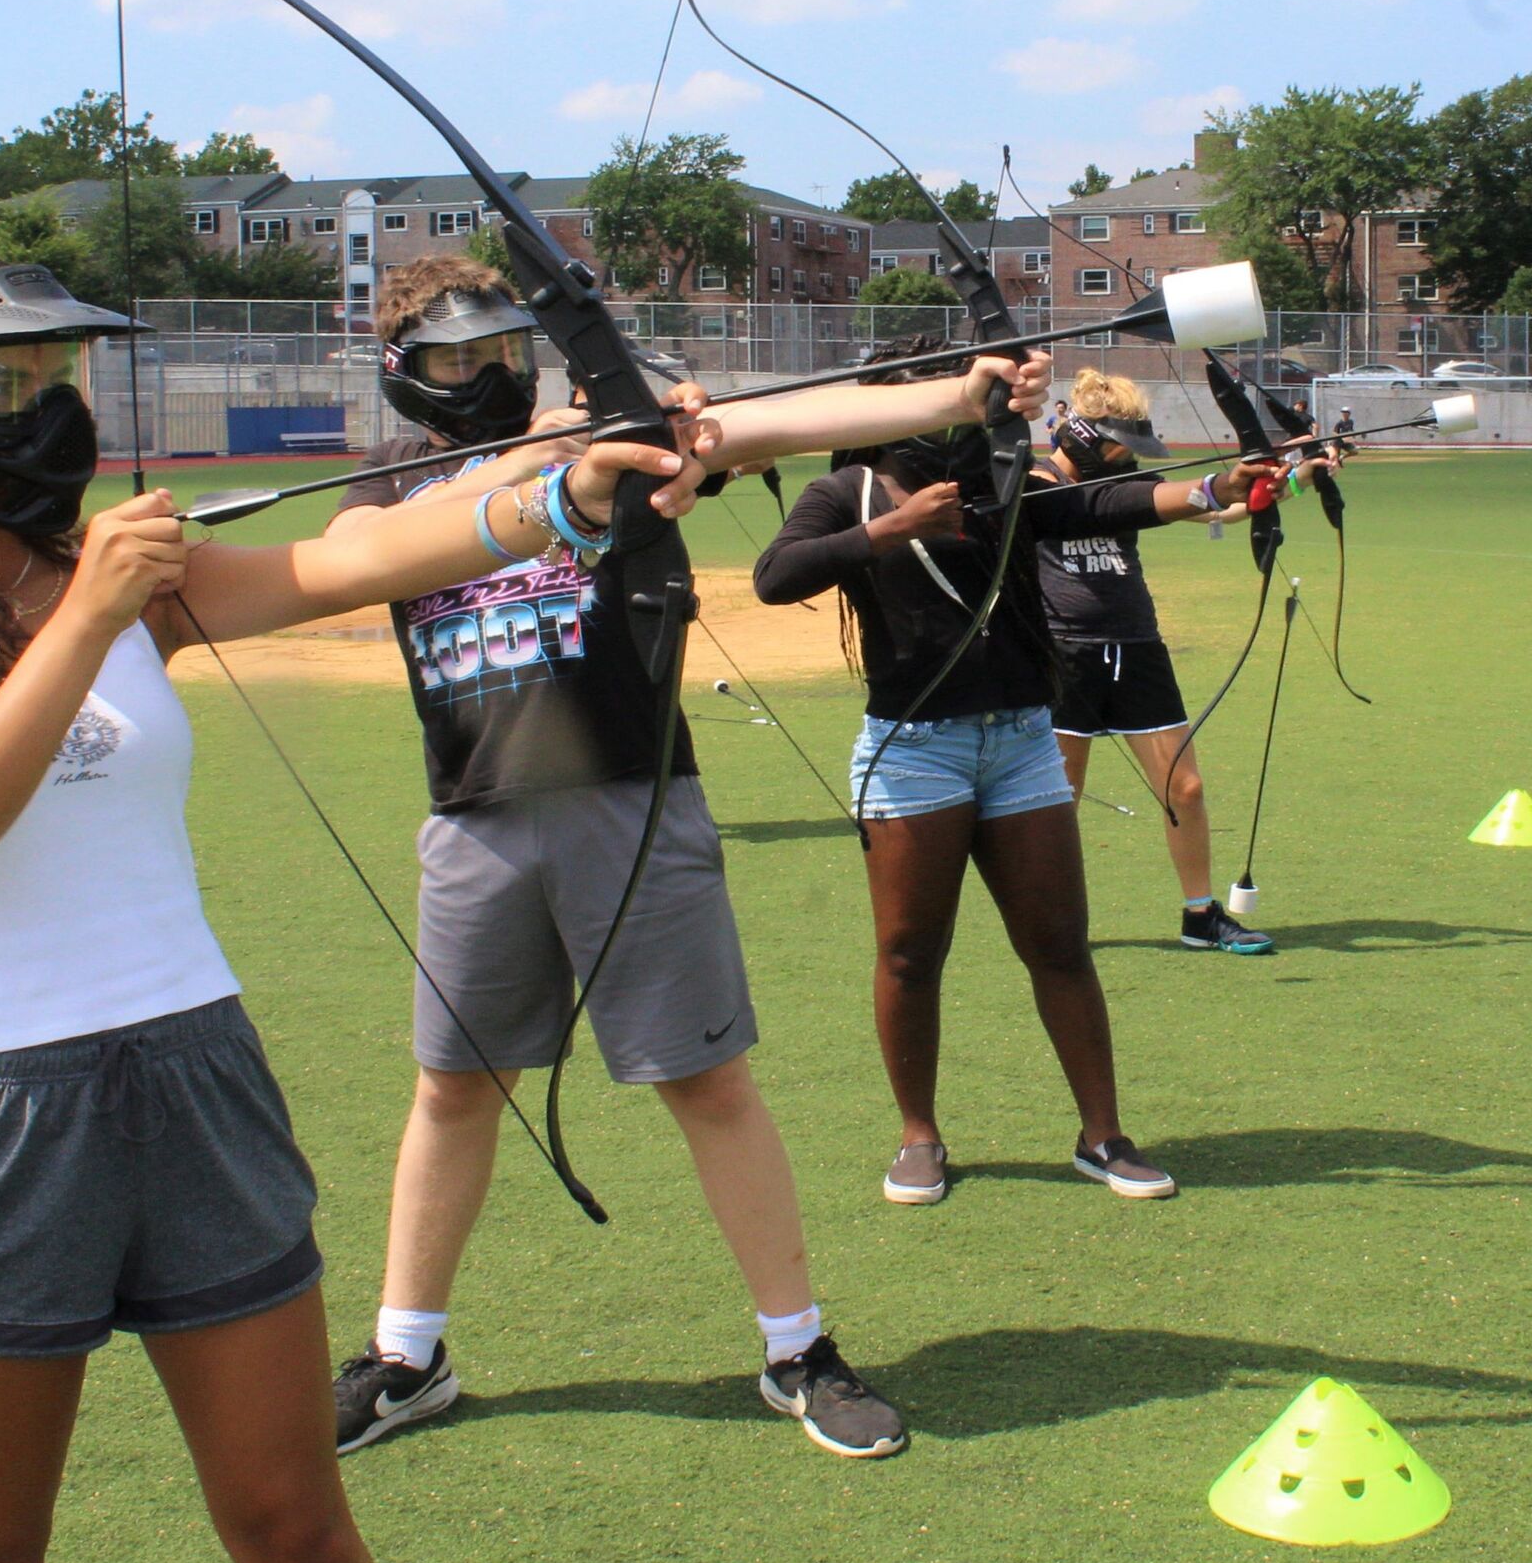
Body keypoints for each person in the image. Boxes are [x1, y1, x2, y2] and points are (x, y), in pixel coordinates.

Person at [0, 248, 700, 1563]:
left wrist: (568, 491)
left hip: (199, 1072)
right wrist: (89, 614)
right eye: (1, 380)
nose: (48, 410)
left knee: (296, 1525)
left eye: (58, 374)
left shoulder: (128, 578)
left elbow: (349, 557)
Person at [324, 257, 1051, 1463]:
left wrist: (962, 396)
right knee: (454, 1087)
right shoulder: (394, 484)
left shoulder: (608, 441)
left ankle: (796, 1346)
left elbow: (771, 424)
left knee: (708, 1083)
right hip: (474, 815)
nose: (488, 375)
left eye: (504, 350)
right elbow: (368, 545)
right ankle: (408, 1355)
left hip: (629, 797)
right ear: (406, 372)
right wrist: (543, 458)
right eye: (458, 358)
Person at [751, 346, 1279, 1209]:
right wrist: (892, 527)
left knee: (1060, 944)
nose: (978, 410)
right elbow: (776, 576)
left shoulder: (1005, 481)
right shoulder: (846, 491)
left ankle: (1102, 1135)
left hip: (1023, 741)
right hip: (914, 748)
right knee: (910, 952)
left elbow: (1103, 501)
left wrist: (1217, 488)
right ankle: (919, 1136)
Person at [1036, 370, 1281, 955]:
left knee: (1185, 788)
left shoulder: (1124, 482)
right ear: (1083, 436)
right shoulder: (1035, 484)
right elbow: (1087, 506)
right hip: (1063, 654)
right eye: (1120, 447)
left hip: (1137, 648)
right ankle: (1051, 923)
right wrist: (1210, 489)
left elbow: (1218, 510)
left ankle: (1200, 915)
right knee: (1059, 799)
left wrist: (1284, 481)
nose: (1129, 460)